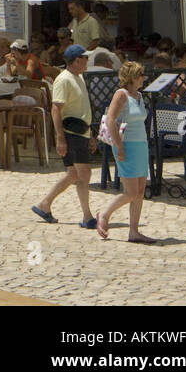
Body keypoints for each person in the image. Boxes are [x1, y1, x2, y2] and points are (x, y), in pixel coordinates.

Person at [32, 45, 99, 228]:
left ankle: (44, 204)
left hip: (80, 131)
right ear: (77, 60)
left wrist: (90, 135)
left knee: (73, 174)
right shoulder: (64, 80)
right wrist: (59, 137)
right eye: (85, 58)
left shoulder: (78, 77)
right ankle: (87, 216)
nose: (87, 61)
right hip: (72, 133)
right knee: (84, 173)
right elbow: (56, 109)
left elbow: (82, 109)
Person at [96, 61, 155, 243]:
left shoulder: (139, 96)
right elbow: (111, 120)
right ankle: (105, 214)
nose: (143, 78)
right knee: (130, 192)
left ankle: (134, 231)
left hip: (140, 144)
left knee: (139, 191)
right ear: (133, 77)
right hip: (126, 144)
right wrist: (118, 146)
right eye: (141, 75)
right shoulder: (121, 94)